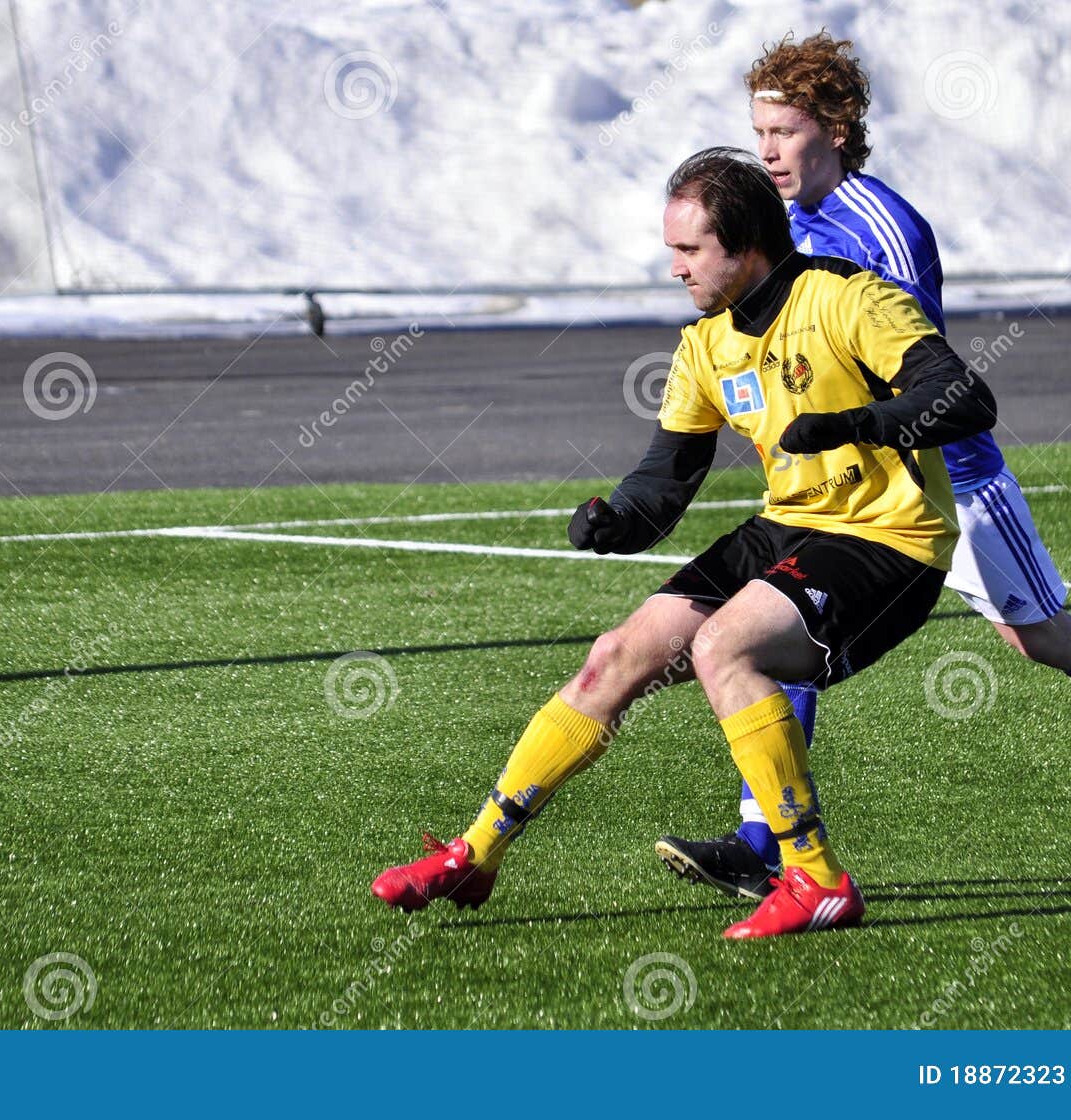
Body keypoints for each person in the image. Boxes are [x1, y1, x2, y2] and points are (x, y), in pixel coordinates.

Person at [653, 32, 1071, 904]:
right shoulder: (773, 226)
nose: (769, 151)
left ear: (837, 128)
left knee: (1039, 636)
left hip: (949, 483)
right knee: (776, 633)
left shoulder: (884, 229)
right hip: (845, 495)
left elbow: (928, 379)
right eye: (759, 133)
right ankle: (763, 842)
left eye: (785, 131)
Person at [372, 146, 998, 938]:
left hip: (890, 540)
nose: (675, 267)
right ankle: (476, 852)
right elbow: (666, 479)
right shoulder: (705, 344)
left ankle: (815, 879)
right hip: (790, 525)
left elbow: (965, 398)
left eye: (690, 249)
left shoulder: (849, 299)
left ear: (746, 245)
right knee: (616, 655)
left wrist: (858, 423)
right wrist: (619, 520)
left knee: (723, 647)